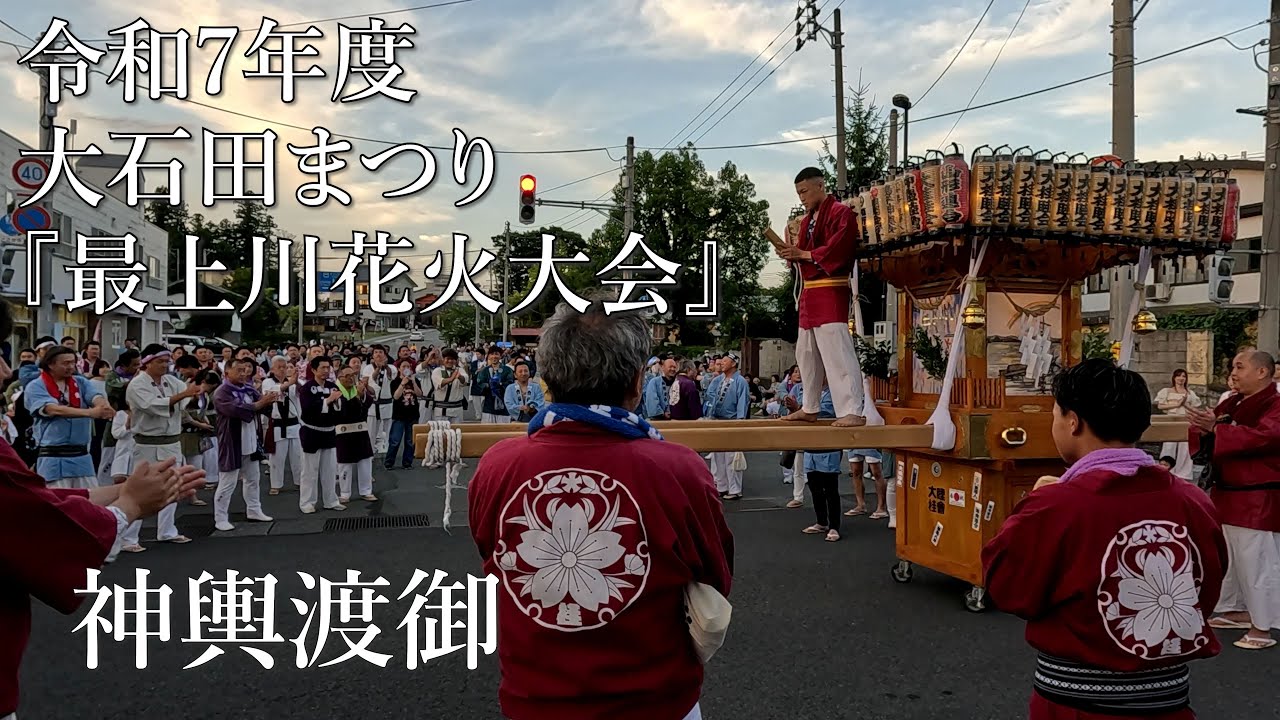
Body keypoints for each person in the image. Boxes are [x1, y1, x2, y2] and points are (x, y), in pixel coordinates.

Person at [468, 294, 733, 720]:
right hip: (656, 702)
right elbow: (714, 575)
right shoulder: (680, 470)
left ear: (546, 380)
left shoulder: (498, 466)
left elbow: (495, 559)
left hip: (535, 700)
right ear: (635, 382)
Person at [983, 359, 1227, 719]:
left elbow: (1007, 586)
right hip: (1167, 702)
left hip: (1074, 705)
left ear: (1073, 421)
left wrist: (1030, 507)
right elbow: (1204, 591)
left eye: (1055, 415)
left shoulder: (1054, 505)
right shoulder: (1193, 500)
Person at [1188, 349, 1280, 651]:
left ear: (1262, 372)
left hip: (1258, 495)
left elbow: (1265, 437)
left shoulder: (1275, 405)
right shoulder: (1233, 402)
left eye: (1240, 366)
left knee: (1257, 562)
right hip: (1228, 489)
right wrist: (1204, 426)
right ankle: (1237, 610)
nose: (1234, 372)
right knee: (1231, 558)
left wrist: (1216, 429)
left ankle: (1262, 626)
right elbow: (1214, 429)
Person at [775, 166, 866, 428]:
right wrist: (791, 253)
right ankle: (810, 405)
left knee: (836, 350)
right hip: (809, 293)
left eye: (804, 191)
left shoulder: (842, 213)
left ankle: (851, 409)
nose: (801, 197)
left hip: (830, 288)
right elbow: (804, 253)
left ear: (820, 186)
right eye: (798, 193)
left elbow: (839, 248)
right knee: (806, 353)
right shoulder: (807, 221)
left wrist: (802, 255)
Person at [125, 344, 205, 544]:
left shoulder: (171, 381)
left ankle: (167, 531)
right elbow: (152, 406)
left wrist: (196, 394)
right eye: (159, 361)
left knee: (172, 487)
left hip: (171, 442)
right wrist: (185, 394)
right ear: (147, 363)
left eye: (166, 361)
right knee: (142, 490)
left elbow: (184, 404)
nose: (164, 365)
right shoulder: (137, 384)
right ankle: (129, 537)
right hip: (147, 444)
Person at [24, 346, 115, 488]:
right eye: (65, 363)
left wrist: (102, 405)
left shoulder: (81, 382)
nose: (71, 367)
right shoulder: (35, 386)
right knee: (56, 502)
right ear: (50, 364)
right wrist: (90, 413)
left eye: (73, 362)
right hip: (53, 458)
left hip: (82, 457)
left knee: (90, 502)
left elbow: (94, 396)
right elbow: (52, 409)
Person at [212, 357, 277, 532]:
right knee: (228, 482)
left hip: (250, 439)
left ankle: (254, 510)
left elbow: (262, 406)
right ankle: (220, 517)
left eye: (245, 369)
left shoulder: (249, 389)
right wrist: (260, 403)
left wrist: (269, 401)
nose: (243, 373)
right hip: (232, 441)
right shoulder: (222, 392)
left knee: (253, 479)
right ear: (227, 373)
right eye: (239, 370)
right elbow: (235, 410)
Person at [798, 383, 843, 542]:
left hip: (829, 446)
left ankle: (834, 526)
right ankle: (821, 521)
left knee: (830, 489)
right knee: (814, 487)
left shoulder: (833, 392)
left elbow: (824, 413)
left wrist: (799, 410)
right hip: (810, 445)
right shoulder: (805, 389)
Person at [703, 352, 750, 501]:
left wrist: (740, 421)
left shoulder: (740, 381)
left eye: (725, 361)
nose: (721, 363)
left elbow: (743, 402)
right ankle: (721, 486)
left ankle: (735, 489)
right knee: (718, 457)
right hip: (718, 420)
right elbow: (711, 396)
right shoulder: (718, 380)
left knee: (731, 457)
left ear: (733, 364)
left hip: (732, 421)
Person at [334, 364, 377, 503]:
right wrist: (357, 396)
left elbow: (368, 403)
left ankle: (366, 490)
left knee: (365, 461)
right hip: (344, 431)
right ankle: (345, 493)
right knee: (344, 463)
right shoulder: (336, 391)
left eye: (353, 375)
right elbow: (343, 411)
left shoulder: (356, 389)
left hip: (360, 430)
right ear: (339, 378)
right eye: (347, 376)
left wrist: (362, 394)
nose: (351, 378)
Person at [262, 356, 303, 495]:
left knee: (297, 456)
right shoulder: (267, 382)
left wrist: (295, 382)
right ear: (272, 369)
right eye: (279, 367)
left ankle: (299, 481)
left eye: (284, 367)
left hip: (294, 423)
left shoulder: (293, 381)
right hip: (278, 423)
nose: (282, 369)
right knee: (277, 457)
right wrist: (290, 383)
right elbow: (273, 392)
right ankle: (276, 484)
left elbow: (303, 391)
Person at [1156, 369, 1200, 481]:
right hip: (1171, 419)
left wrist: (1186, 405)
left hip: (1185, 420)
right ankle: (1165, 468)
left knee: (1185, 446)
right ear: (1174, 378)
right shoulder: (1167, 391)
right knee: (1169, 445)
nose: (1181, 378)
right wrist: (1176, 404)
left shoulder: (1190, 393)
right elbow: (1160, 406)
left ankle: (1183, 472)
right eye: (1179, 376)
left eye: (1183, 376)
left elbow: (1195, 407)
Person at [386, 359, 421, 471]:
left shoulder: (415, 380)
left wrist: (413, 381)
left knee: (410, 441)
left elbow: (420, 394)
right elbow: (395, 396)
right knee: (395, 440)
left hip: (413, 414)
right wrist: (403, 383)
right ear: (399, 368)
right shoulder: (395, 382)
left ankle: (407, 463)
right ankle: (389, 462)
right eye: (404, 366)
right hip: (399, 415)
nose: (406, 368)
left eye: (408, 367)